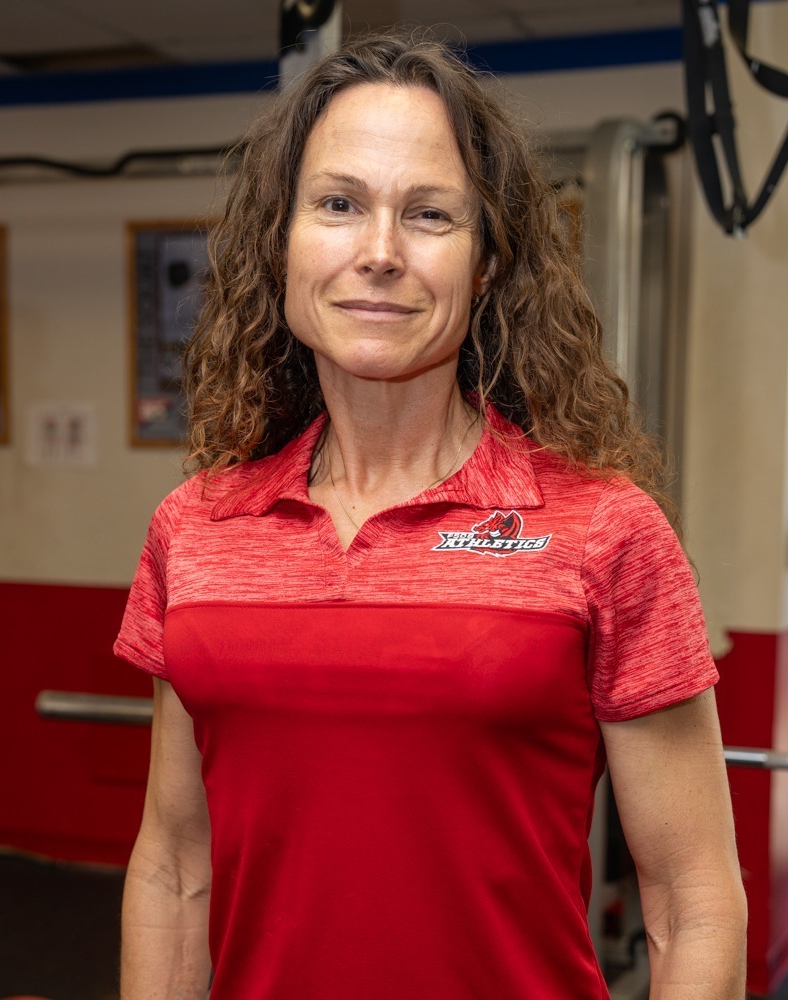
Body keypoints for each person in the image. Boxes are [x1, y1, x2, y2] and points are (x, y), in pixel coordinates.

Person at [115, 31, 747, 1000]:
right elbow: (172, 863)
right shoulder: (195, 529)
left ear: (487, 260)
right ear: (279, 241)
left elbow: (691, 897)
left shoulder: (600, 528)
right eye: (336, 205)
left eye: (428, 214)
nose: (377, 253)